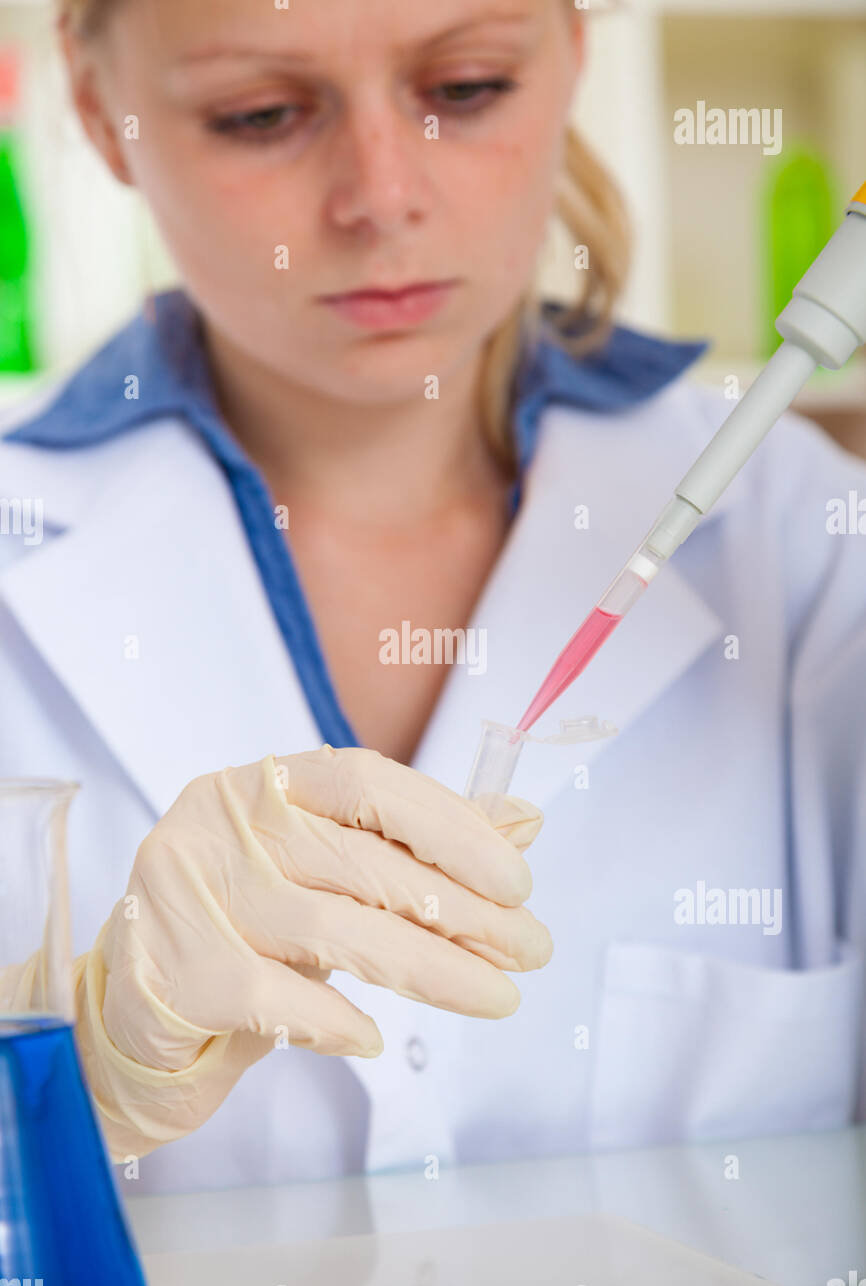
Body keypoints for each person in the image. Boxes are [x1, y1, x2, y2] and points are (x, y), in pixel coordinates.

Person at [0, 0, 863, 1196]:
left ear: (570, 55)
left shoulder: (811, 543)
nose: (380, 196)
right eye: (260, 113)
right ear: (100, 113)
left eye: (463, 88)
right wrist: (71, 1089)